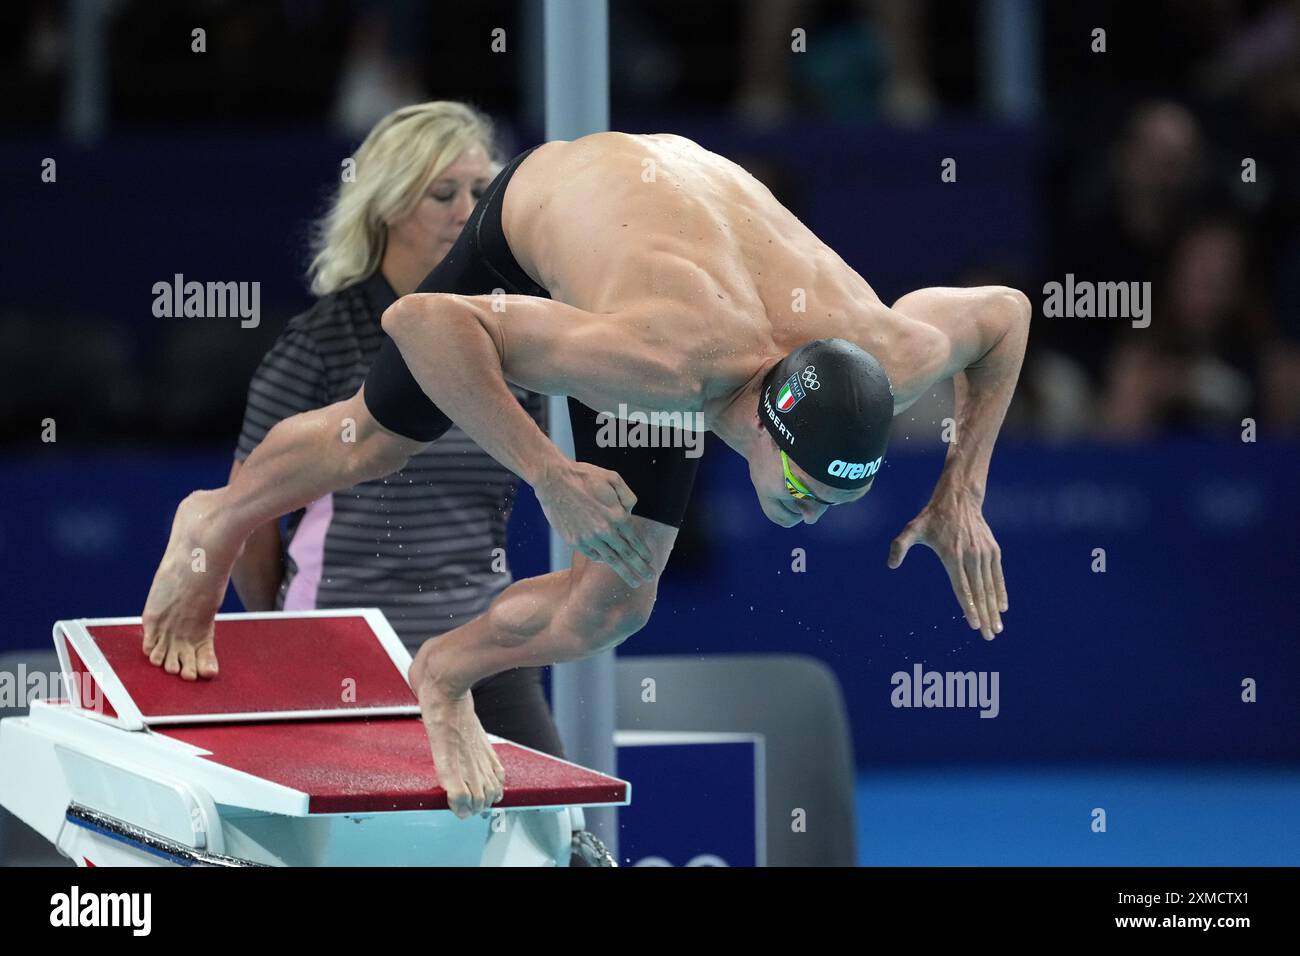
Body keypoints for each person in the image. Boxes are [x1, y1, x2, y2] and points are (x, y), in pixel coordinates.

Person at [143, 131, 1029, 817]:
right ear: (764, 418)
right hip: (551, 213)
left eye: (833, 499)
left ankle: (443, 671)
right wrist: (546, 470)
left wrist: (961, 492)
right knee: (382, 439)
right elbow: (425, 321)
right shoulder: (666, 363)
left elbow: (1004, 314)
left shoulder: (891, 353)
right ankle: (213, 519)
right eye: (801, 488)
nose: (806, 514)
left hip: (688, 239)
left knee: (616, 598)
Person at [230, 100, 563, 758]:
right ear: (385, 205)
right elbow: (244, 518)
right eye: (442, 194)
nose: (467, 211)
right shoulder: (320, 344)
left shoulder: (510, 335)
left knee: (552, 835)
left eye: (478, 191)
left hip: (481, 650)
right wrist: (283, 632)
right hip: (343, 649)